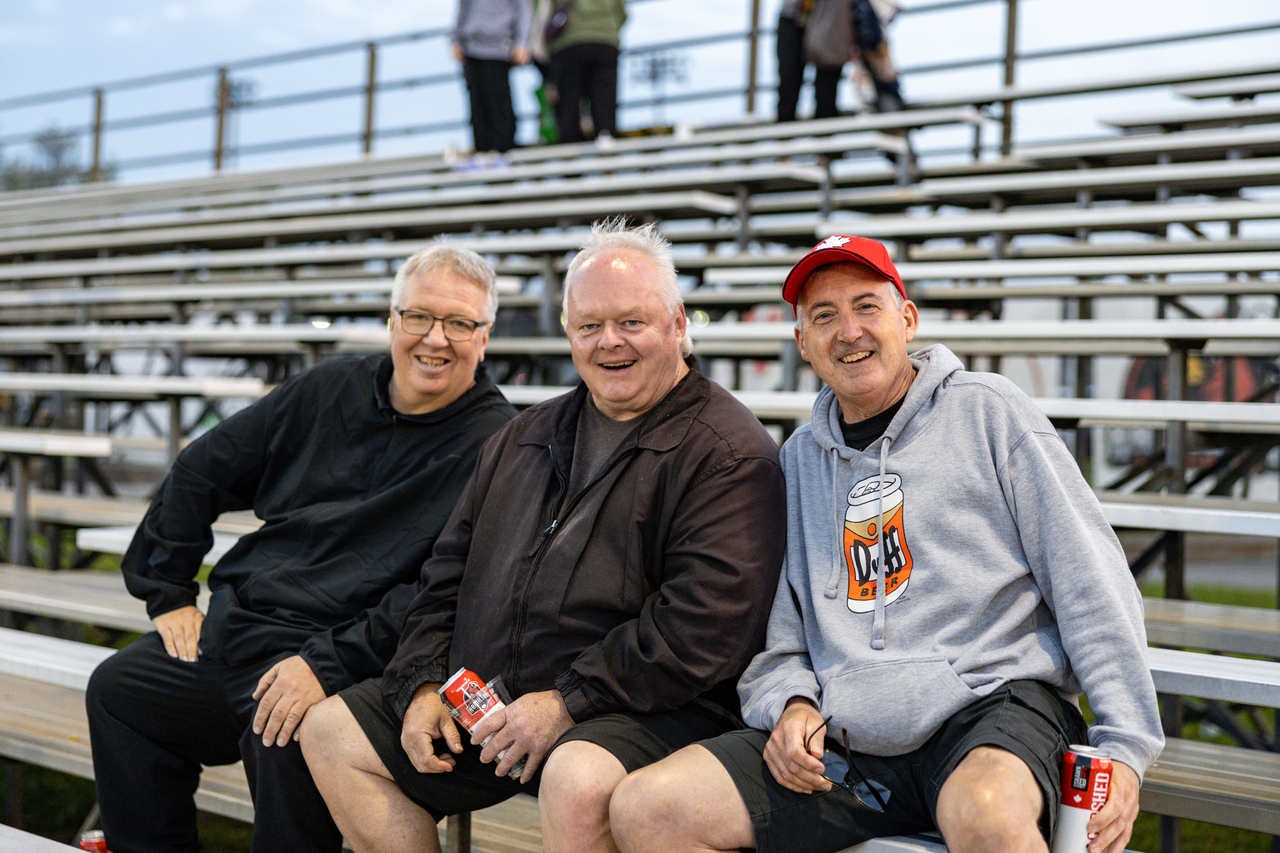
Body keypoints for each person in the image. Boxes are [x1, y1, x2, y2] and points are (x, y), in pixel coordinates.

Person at [609, 235, 1166, 853]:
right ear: (802, 343)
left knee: (987, 812)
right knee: (648, 809)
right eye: (824, 316)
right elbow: (780, 631)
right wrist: (791, 702)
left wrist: (1124, 746)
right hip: (848, 739)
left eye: (866, 306)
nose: (848, 331)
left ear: (907, 318)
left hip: (987, 709)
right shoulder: (797, 461)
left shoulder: (989, 411)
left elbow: (1089, 577)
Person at [299, 219, 787, 853]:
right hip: (494, 698)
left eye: (631, 323)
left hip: (646, 706)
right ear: (568, 334)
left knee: (577, 779)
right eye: (589, 326)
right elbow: (445, 574)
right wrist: (421, 682)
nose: (610, 342)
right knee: (333, 733)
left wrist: (566, 702)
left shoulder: (728, 452)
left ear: (678, 323)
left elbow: (705, 626)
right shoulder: (522, 435)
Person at [84, 243, 518, 853]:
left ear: (485, 335)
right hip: (243, 629)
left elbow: (444, 591)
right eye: (419, 316)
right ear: (393, 319)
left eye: (458, 323)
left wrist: (327, 665)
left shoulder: (498, 444)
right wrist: (168, 590)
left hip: (343, 654)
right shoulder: (329, 387)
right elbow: (201, 468)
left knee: (285, 735)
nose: (435, 338)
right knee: (121, 692)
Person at [453, 0, 532, 160]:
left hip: (499, 47)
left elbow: (524, 11)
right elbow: (462, 9)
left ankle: (503, 150)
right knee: (477, 105)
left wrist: (522, 43)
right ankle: (483, 151)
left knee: (499, 101)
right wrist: (455, 39)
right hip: (471, 48)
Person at [545, 0, 627, 143]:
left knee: (568, 98)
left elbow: (545, 11)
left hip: (568, 41)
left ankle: (568, 146)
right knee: (604, 95)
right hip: (605, 38)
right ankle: (606, 137)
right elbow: (622, 12)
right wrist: (609, 28)